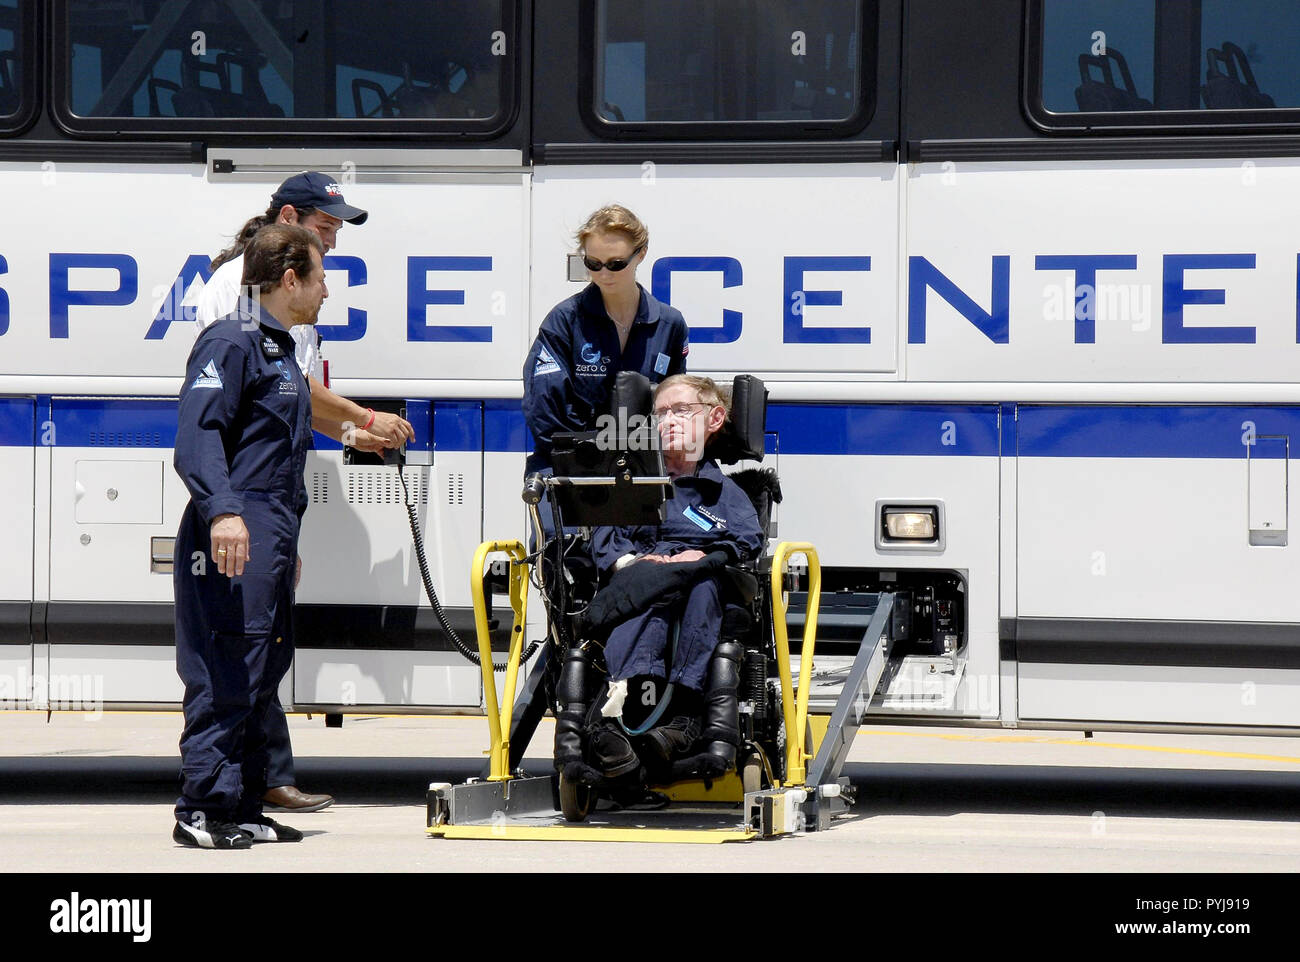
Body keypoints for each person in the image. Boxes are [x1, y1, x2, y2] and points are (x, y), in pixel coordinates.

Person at [185, 171, 415, 814]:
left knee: (265, 644)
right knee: (237, 652)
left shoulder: (285, 319)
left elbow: (288, 399)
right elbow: (241, 398)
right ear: (288, 224)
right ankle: (215, 800)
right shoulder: (240, 303)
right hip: (249, 499)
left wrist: (351, 435)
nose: (333, 247)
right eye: (326, 229)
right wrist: (363, 419)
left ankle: (258, 785)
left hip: (276, 500)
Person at [171, 223, 327, 848]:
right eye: (319, 278)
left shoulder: (279, 349)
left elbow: (280, 455)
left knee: (264, 665)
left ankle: (242, 803)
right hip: (236, 526)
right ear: (289, 279)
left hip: (271, 529)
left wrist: (286, 544)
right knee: (227, 665)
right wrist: (225, 514)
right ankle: (202, 808)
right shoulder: (229, 342)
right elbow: (198, 436)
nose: (325, 292)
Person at [586, 374, 763, 779]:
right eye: (660, 414)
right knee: (641, 588)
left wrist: (702, 555)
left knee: (702, 583)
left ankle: (683, 721)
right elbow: (606, 539)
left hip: (700, 583)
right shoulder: (633, 483)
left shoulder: (725, 494)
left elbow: (746, 541)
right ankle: (614, 718)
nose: (668, 421)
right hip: (641, 580)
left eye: (681, 411)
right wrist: (638, 564)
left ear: (714, 419)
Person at [522, 204, 689, 475]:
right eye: (593, 264)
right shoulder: (564, 320)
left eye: (616, 264)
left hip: (641, 466)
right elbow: (543, 408)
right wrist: (593, 459)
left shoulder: (670, 325)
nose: (603, 274)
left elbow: (674, 405)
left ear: (641, 254)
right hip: (566, 465)